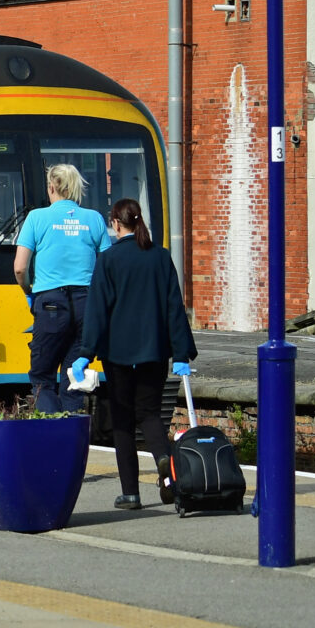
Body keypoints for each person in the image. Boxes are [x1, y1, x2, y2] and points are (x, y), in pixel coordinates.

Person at [69, 198, 197, 510]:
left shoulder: (109, 259)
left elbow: (98, 310)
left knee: (123, 421)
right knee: (150, 414)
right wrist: (181, 352)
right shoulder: (160, 257)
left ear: (116, 223)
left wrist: (86, 352)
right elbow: (173, 308)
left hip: (118, 354)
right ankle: (165, 460)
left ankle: (131, 494)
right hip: (155, 352)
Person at [13, 163, 112, 413]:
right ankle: (72, 433)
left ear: (52, 187)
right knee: (74, 376)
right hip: (86, 306)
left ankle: (49, 432)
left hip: (49, 303)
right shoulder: (94, 219)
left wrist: (29, 291)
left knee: (42, 376)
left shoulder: (36, 218)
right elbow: (108, 268)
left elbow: (20, 268)